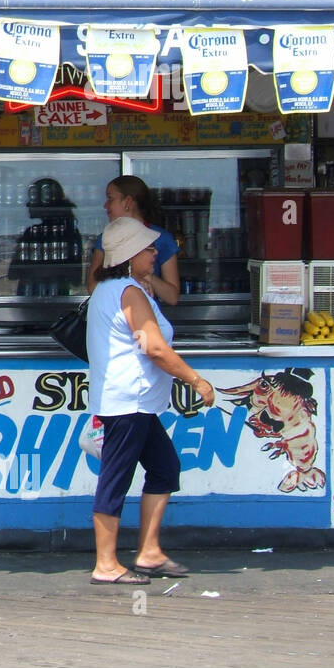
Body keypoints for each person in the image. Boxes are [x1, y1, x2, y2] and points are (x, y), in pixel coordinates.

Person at [87, 216, 214, 585]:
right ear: (129, 255)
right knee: (115, 479)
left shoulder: (116, 290)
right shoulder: (126, 292)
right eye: (149, 248)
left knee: (164, 467)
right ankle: (106, 564)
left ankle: (149, 552)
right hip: (129, 402)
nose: (155, 253)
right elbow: (155, 348)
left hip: (136, 403)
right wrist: (196, 380)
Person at [86, 176, 179, 305]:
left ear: (128, 202)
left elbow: (172, 297)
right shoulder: (106, 238)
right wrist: (131, 276)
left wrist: (147, 277)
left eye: (110, 198)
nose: (105, 205)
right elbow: (92, 288)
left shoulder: (162, 238)